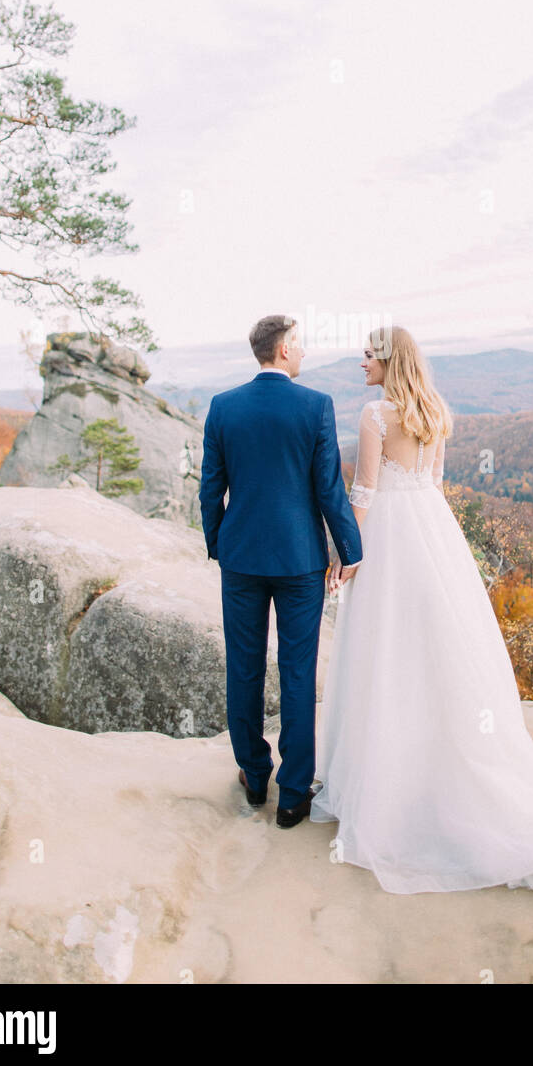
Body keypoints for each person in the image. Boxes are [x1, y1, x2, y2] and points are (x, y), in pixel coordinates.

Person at [311, 324, 533, 893]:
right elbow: (432, 483)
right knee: (438, 647)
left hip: (388, 535)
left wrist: (348, 555)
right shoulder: (436, 411)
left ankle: (387, 776)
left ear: (389, 360)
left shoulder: (374, 414)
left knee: (383, 649)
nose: (360, 362)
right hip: (432, 535)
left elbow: (363, 492)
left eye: (367, 354)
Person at [199, 314, 362, 828]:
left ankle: (253, 773)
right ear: (286, 349)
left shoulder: (223, 407)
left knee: (243, 667)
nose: (306, 353)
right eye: (302, 345)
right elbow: (329, 488)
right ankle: (293, 795)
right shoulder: (315, 406)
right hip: (299, 561)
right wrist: (349, 549)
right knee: (297, 671)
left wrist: (218, 543)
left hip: (242, 558)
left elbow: (210, 488)